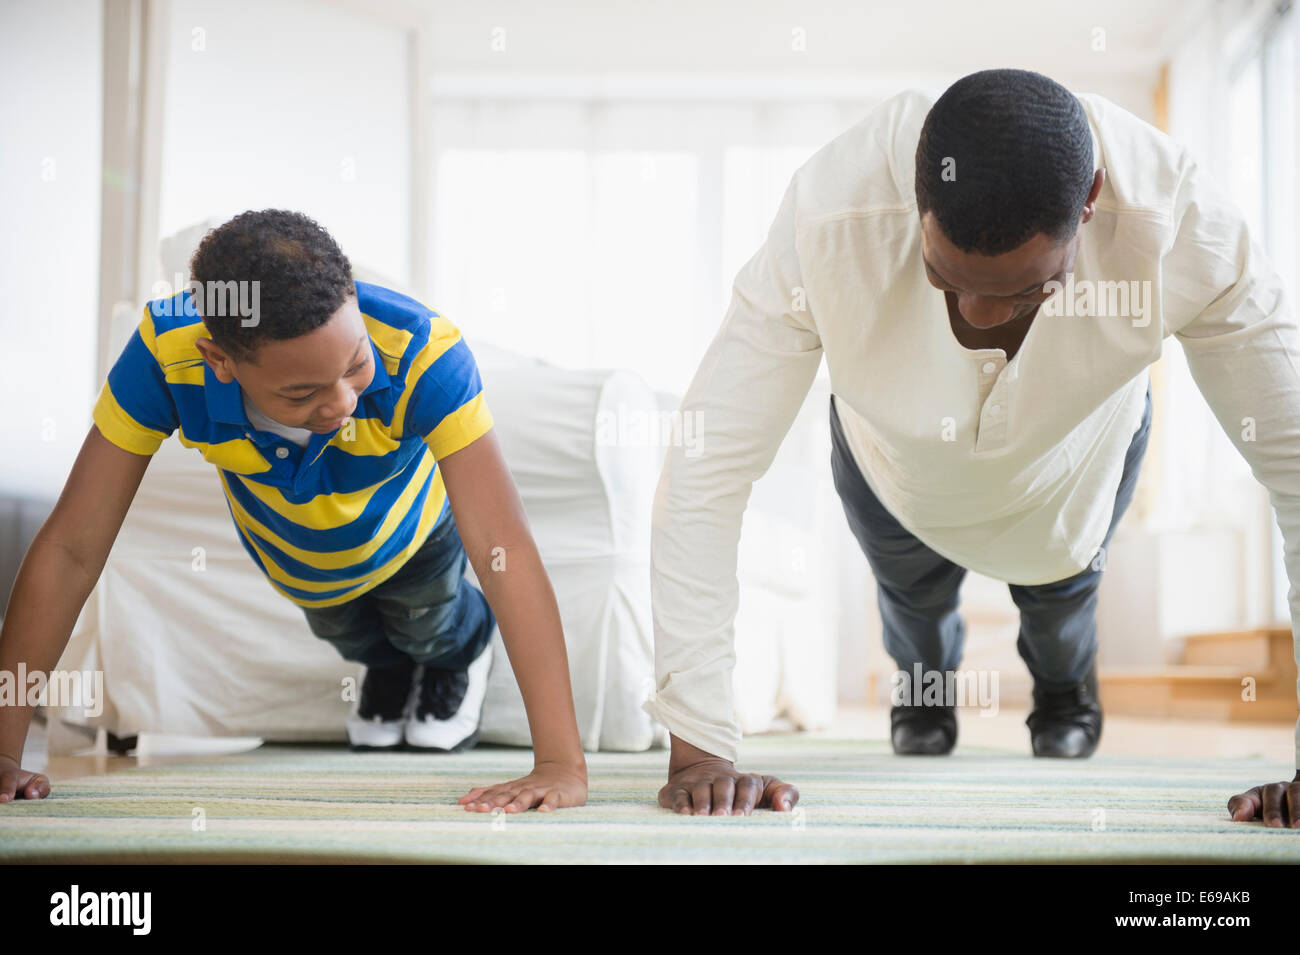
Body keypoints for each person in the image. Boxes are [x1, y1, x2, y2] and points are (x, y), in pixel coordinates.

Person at [645, 68, 1300, 826]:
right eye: (942, 276)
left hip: (1074, 468)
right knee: (915, 620)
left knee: (1060, 617)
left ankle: (1063, 695)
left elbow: (1294, 465)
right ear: (914, 194)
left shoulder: (1183, 224)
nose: (979, 316)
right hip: (892, 466)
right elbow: (707, 466)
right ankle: (926, 691)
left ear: (1090, 201)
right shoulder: (830, 212)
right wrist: (700, 747)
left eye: (1026, 290)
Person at [0, 209, 587, 813]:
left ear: (353, 297)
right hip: (300, 560)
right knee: (353, 637)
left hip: (413, 536)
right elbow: (71, 548)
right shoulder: (164, 357)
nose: (342, 403)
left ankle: (459, 652)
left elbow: (504, 546)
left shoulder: (424, 354)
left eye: (356, 365)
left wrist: (559, 765)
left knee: (425, 623)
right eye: (301, 393)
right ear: (219, 361)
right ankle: (390, 670)